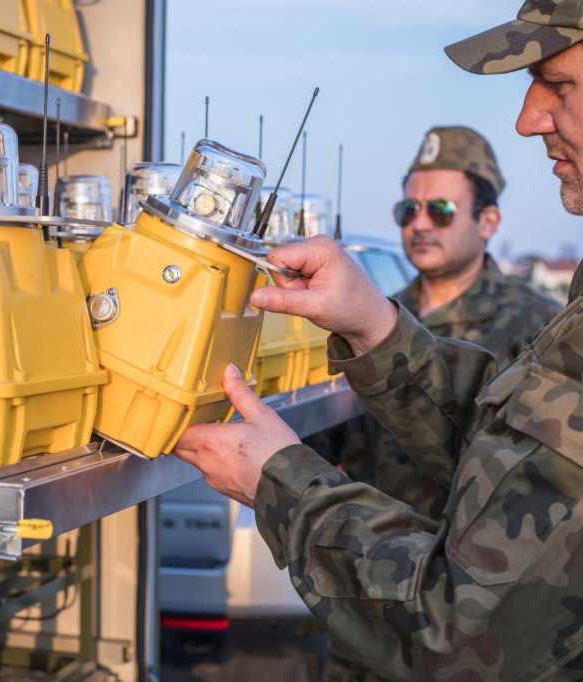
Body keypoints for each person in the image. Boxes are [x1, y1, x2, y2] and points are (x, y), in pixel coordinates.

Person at [173, 2, 583, 679]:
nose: (527, 117)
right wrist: (376, 326)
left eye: (559, 84)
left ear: (488, 221)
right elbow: (519, 470)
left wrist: (281, 484)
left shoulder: (526, 308)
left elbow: (462, 633)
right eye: (409, 209)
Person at [310, 127, 562, 679]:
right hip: (363, 600)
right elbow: (327, 433)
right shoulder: (370, 315)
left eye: (441, 210)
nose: (419, 224)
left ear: (487, 221)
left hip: (464, 622)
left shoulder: (539, 329)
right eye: (408, 209)